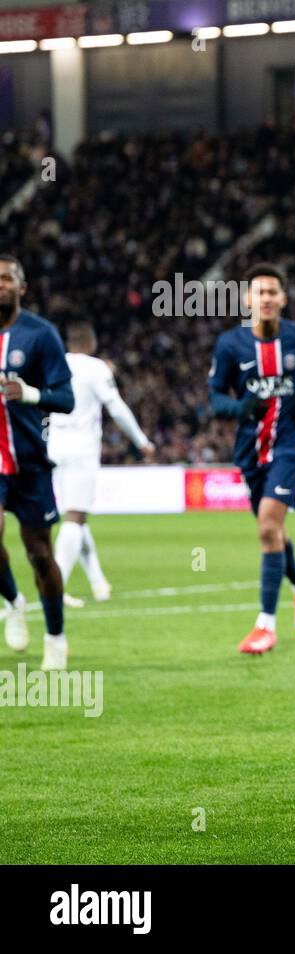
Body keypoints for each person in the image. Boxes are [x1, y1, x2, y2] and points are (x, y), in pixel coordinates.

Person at [208, 263, 295, 654]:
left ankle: (265, 626)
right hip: (251, 449)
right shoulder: (231, 345)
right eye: (258, 292)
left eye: (271, 292)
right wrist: (239, 408)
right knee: (273, 530)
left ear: (283, 299)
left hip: (292, 442)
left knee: (267, 527)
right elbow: (215, 397)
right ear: (247, 299)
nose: (265, 299)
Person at [0, 254, 75, 671]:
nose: (0, 285)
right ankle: (13, 600)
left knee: (40, 555)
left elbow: (66, 398)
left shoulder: (40, 335)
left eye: (7, 278)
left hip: (30, 462)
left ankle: (55, 636)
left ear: (22, 288)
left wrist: (30, 394)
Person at [47, 320, 156, 607]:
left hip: (54, 446)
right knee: (75, 518)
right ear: (90, 343)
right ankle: (55, 588)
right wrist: (141, 441)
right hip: (81, 448)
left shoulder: (53, 362)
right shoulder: (96, 368)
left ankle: (98, 582)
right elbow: (117, 408)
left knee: (76, 518)